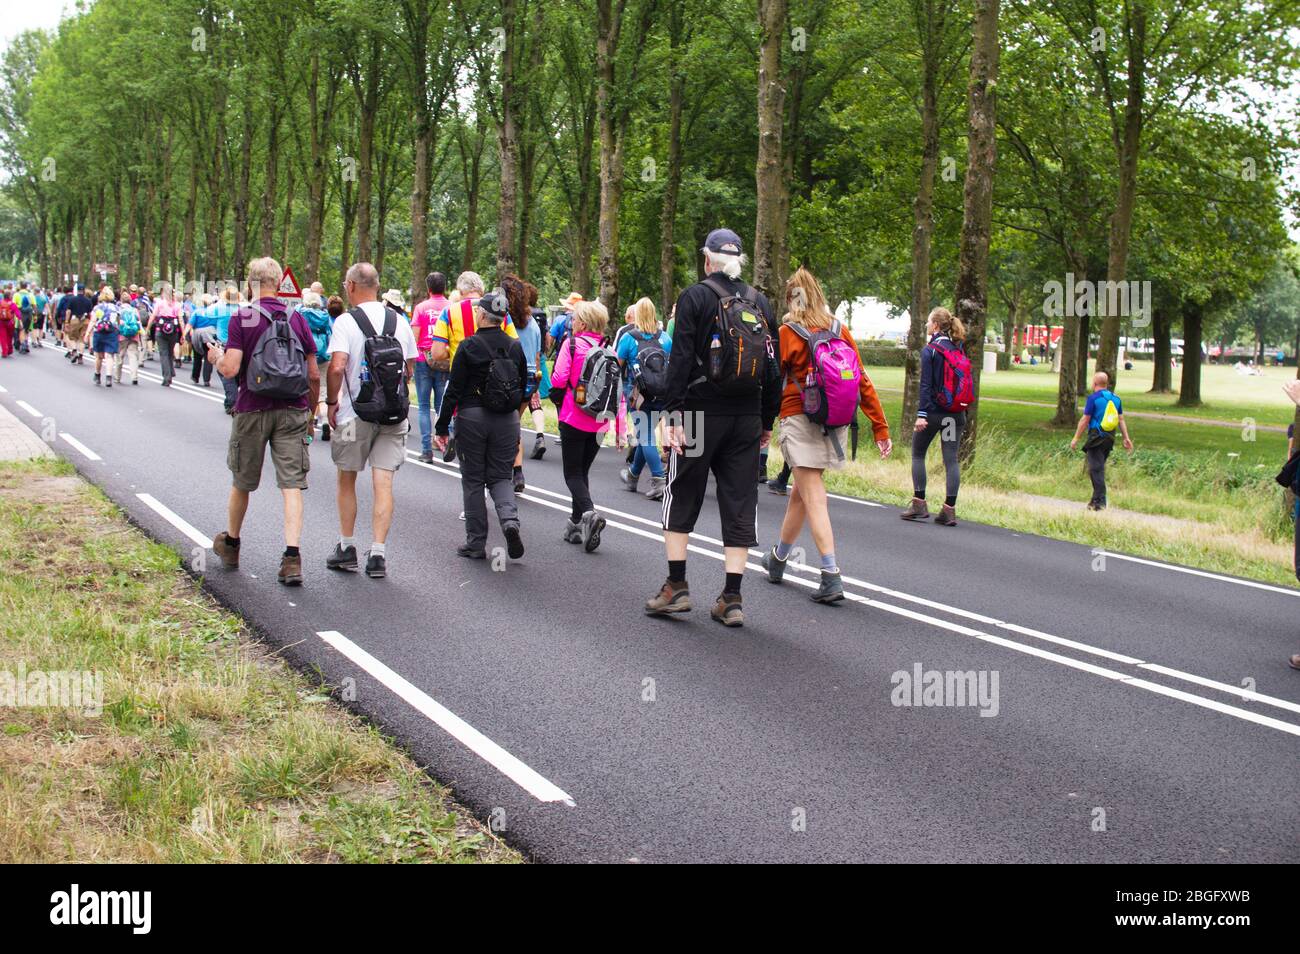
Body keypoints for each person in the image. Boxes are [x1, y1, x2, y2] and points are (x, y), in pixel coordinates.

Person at [644, 228, 781, 626]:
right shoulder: (761, 302)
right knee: (739, 502)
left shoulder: (695, 296)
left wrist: (671, 414)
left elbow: (681, 360)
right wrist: (766, 421)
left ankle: (676, 587)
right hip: (746, 418)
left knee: (681, 491)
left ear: (707, 259)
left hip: (699, 415)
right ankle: (732, 598)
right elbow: (773, 371)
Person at [760, 268, 892, 603]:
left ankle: (831, 574)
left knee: (814, 496)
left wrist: (762, 423)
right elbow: (861, 378)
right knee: (801, 494)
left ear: (791, 298)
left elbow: (772, 382)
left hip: (799, 418)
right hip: (834, 421)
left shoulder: (787, 332)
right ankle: (777, 560)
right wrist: (879, 426)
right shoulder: (838, 329)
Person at [208, 257, 321, 586]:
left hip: (253, 409)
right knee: (292, 485)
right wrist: (311, 414)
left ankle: (231, 545)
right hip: (293, 409)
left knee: (242, 481)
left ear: (251, 284)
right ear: (278, 283)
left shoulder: (242, 318)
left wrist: (215, 356)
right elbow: (313, 373)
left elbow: (230, 369)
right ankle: (291, 558)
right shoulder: (297, 318)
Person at [323, 262, 418, 579]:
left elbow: (337, 367)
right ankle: (378, 553)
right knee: (384, 483)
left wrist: (332, 402)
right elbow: (409, 369)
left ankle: (347, 547)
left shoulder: (346, 322)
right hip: (392, 415)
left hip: (354, 415)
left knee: (346, 478)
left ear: (350, 285)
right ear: (377, 286)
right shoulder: (399, 321)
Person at [435, 288, 528, 560]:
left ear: (483, 314)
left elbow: (453, 390)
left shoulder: (468, 346)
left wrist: (442, 426)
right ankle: (509, 521)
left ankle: (476, 543)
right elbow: (523, 386)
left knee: (474, 480)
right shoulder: (514, 346)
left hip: (472, 417)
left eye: (477, 310)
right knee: (500, 476)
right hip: (507, 420)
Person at [428, 271, 518, 461]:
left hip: (464, 390)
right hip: (498, 384)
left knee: (470, 456)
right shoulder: (497, 310)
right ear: (481, 290)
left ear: (461, 291)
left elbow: (436, 353)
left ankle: (453, 441)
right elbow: (514, 344)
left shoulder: (449, 312)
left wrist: (452, 352)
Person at [548, 298, 611, 551]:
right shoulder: (609, 349)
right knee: (582, 471)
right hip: (600, 422)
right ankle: (575, 525)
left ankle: (589, 513)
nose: (571, 322)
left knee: (572, 473)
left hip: (574, 416)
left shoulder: (572, 345)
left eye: (574, 319)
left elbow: (559, 377)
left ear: (582, 323)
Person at [900, 306, 970, 526]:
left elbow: (926, 385)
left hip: (933, 414)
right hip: (955, 415)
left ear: (936, 326)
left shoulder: (930, 350)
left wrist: (921, 415)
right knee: (951, 460)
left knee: (918, 454)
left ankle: (919, 503)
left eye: (929, 322)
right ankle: (949, 510)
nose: (927, 325)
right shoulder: (958, 349)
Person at [616, 296, 672, 500]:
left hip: (637, 394)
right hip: (662, 393)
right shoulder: (665, 338)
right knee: (645, 433)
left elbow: (617, 364)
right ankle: (633, 475)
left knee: (646, 435)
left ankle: (659, 480)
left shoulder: (629, 337)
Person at [1069, 370, 1134, 510]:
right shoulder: (1116, 399)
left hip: (1096, 436)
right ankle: (1094, 502)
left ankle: (1100, 501)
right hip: (1109, 437)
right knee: (1098, 468)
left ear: (1095, 383)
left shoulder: (1093, 399)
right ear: (1106, 383)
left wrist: (1076, 438)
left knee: (1095, 469)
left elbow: (1085, 419)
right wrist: (1126, 438)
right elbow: (1121, 419)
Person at [502, 274, 543, 489]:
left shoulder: (502, 321)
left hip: (507, 376)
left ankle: (503, 467)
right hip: (529, 378)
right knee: (514, 423)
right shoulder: (533, 323)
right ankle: (517, 471)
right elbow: (537, 356)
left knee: (502, 423)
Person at [411, 271, 451, 462]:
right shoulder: (452, 308)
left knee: (424, 406)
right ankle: (444, 443)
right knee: (442, 406)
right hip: (444, 359)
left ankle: (426, 450)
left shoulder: (421, 308)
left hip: (422, 360)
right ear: (445, 287)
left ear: (428, 288)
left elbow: (414, 338)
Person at [296, 289, 334, 435]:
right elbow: (330, 335)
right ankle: (324, 420)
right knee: (322, 391)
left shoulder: (300, 314)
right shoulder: (325, 316)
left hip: (304, 355)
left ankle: (306, 421)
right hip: (323, 356)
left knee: (303, 390)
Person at [149, 284, 184, 387]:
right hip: (173, 331)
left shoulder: (159, 303)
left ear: (164, 293)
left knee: (163, 354)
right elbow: (181, 320)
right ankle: (171, 371)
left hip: (161, 330)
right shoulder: (177, 305)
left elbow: (153, 316)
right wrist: (183, 333)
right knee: (170, 352)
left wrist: (147, 328)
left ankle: (167, 377)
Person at [85, 288, 120, 387]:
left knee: (99, 356)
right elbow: (118, 322)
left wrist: (88, 333)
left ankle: (97, 374)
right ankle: (108, 377)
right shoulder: (116, 308)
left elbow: (93, 321)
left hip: (99, 332)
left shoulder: (97, 308)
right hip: (111, 332)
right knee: (109, 356)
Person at [112, 289, 143, 385]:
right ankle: (134, 377)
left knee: (119, 356)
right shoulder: (134, 310)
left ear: (121, 300)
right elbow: (139, 323)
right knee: (133, 356)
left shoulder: (119, 310)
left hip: (122, 336)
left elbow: (115, 323)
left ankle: (117, 377)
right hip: (134, 335)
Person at [0, 291, 17, 358]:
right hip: (10, 322)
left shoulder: (1, 302)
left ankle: (4, 352)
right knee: (9, 337)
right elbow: (17, 312)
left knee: (2, 337)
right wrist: (20, 320)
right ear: (10, 296)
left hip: (1, 322)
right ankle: (10, 350)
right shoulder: (12, 304)